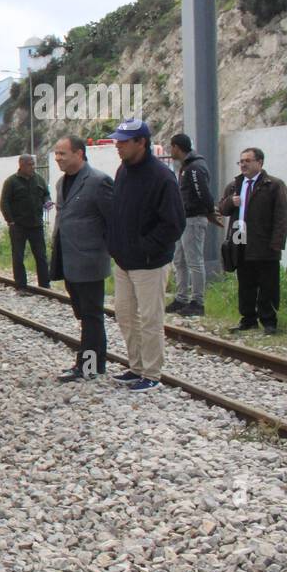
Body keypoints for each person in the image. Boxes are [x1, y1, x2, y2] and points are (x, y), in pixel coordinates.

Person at [106, 118, 186, 390]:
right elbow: (118, 210)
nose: (118, 146)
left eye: (124, 141)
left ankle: (151, 374)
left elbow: (173, 223)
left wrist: (145, 248)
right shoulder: (123, 171)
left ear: (141, 142)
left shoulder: (162, 177)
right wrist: (114, 244)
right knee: (125, 315)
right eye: (117, 141)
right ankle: (136, 366)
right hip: (124, 261)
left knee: (150, 319)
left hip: (150, 263)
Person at [50, 136, 114, 382]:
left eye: (62, 153)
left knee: (91, 316)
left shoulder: (98, 182)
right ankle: (92, 362)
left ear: (79, 154)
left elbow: (111, 220)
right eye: (56, 154)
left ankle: (89, 366)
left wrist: (106, 252)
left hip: (89, 262)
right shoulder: (60, 183)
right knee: (83, 315)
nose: (58, 158)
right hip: (68, 261)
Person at [219, 146, 287, 334]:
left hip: (264, 243)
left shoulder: (273, 185)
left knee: (268, 285)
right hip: (240, 241)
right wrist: (230, 202)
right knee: (246, 283)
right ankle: (248, 319)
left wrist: (277, 243)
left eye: (247, 161)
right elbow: (222, 209)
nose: (243, 165)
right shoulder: (235, 185)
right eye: (241, 161)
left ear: (260, 162)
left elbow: (282, 216)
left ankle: (269, 321)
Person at [167, 133, 214, 317]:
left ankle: (197, 301)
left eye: (171, 147)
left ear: (177, 147)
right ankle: (181, 298)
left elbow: (202, 192)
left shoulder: (194, 168)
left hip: (193, 219)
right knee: (179, 259)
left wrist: (209, 211)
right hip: (184, 219)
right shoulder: (188, 166)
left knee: (194, 261)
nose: (170, 151)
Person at [0, 154, 51, 290]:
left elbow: (46, 194)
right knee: (18, 256)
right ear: (21, 165)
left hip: (36, 224)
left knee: (41, 255)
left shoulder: (39, 179)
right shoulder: (11, 182)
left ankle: (45, 285)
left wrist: (47, 202)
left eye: (33, 164)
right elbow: (4, 202)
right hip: (18, 226)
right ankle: (21, 285)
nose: (33, 167)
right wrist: (10, 221)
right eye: (30, 164)